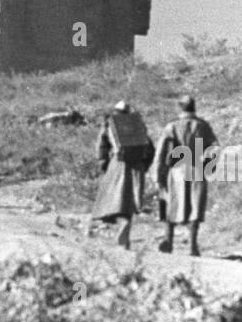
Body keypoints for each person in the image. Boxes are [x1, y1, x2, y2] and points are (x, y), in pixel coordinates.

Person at [154, 95, 218, 257]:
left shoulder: (171, 127)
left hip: (176, 170)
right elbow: (214, 149)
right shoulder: (203, 126)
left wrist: (157, 174)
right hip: (196, 168)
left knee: (171, 203)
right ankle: (193, 246)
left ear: (180, 108)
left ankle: (169, 242)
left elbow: (161, 153)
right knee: (195, 206)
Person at [90, 100, 154, 249]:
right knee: (130, 202)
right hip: (137, 166)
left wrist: (103, 163)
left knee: (115, 200)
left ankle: (122, 225)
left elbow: (101, 146)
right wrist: (144, 165)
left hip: (118, 164)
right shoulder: (137, 126)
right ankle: (126, 238)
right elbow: (150, 148)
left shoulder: (110, 124)